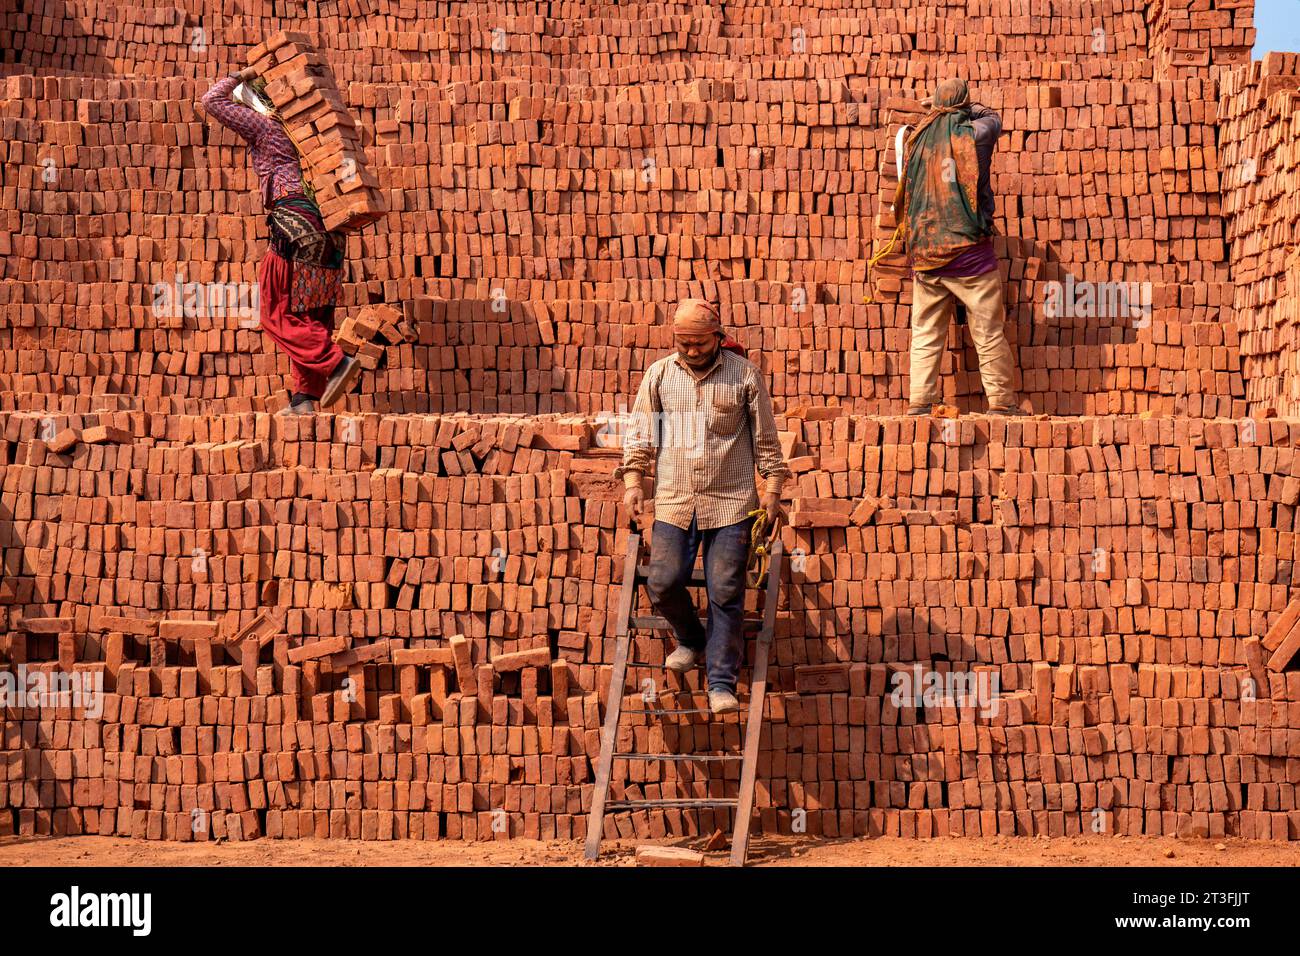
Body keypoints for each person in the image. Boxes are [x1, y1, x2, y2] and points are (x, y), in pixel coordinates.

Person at [615, 299, 792, 715]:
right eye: (683, 343)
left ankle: (720, 683)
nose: (691, 351)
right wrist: (633, 481)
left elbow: (766, 440)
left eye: (699, 343)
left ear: (718, 336)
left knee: (726, 590)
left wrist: (772, 492)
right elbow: (641, 434)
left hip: (731, 504)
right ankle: (691, 639)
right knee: (662, 581)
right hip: (676, 502)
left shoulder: (744, 375)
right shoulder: (659, 375)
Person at [201, 69, 359, 414]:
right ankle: (306, 398)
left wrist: (238, 74)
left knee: (275, 311)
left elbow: (211, 100)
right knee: (311, 315)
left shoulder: (266, 126)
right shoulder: (316, 133)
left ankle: (336, 362)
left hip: (294, 225)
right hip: (331, 231)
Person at [898, 78, 1026, 417]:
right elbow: (994, 117)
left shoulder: (915, 140)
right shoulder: (974, 135)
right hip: (969, 253)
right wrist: (966, 107)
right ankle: (1001, 404)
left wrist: (937, 107)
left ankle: (920, 402)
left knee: (925, 332)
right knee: (987, 331)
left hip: (925, 252)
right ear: (964, 106)